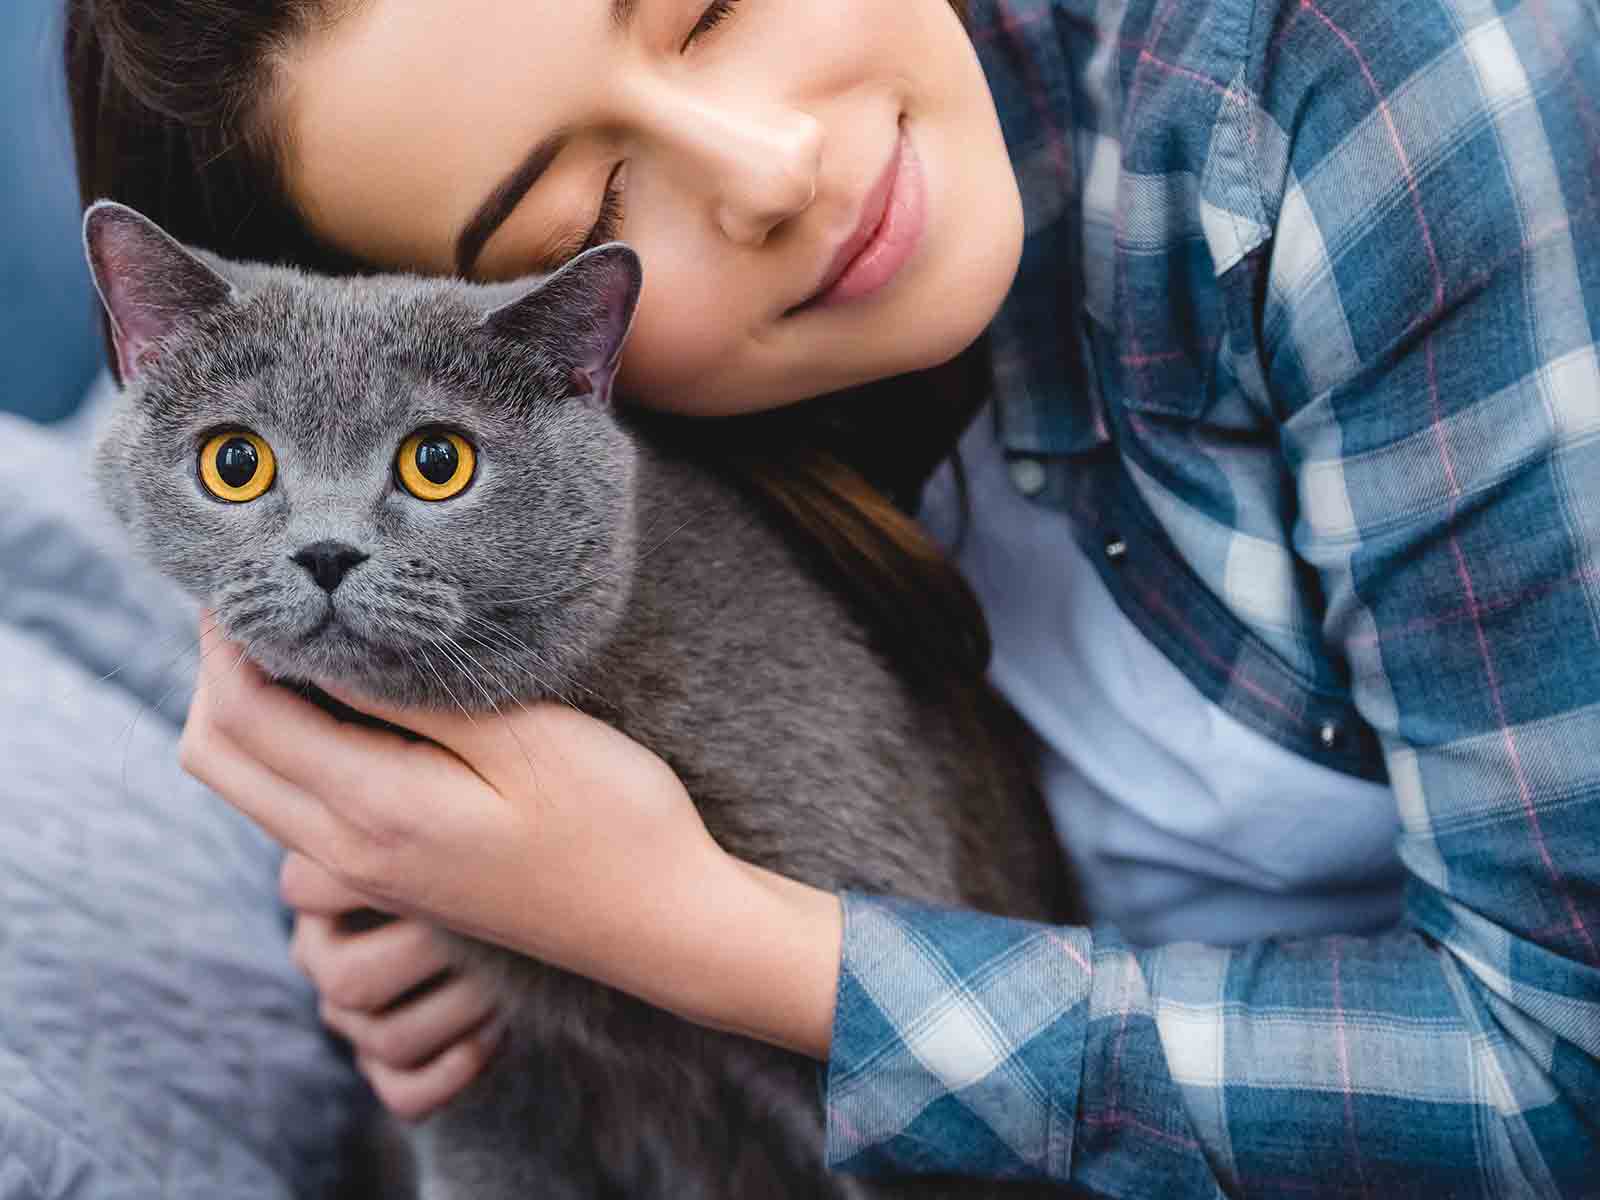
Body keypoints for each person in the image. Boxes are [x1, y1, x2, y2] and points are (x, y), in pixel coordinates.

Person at [60, 0, 1599, 1194]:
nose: (772, 168)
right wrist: (429, 894)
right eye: (577, 226)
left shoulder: (1355, 78)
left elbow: (1564, 1089)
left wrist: (703, 937)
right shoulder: (603, 485)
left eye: (714, 6)